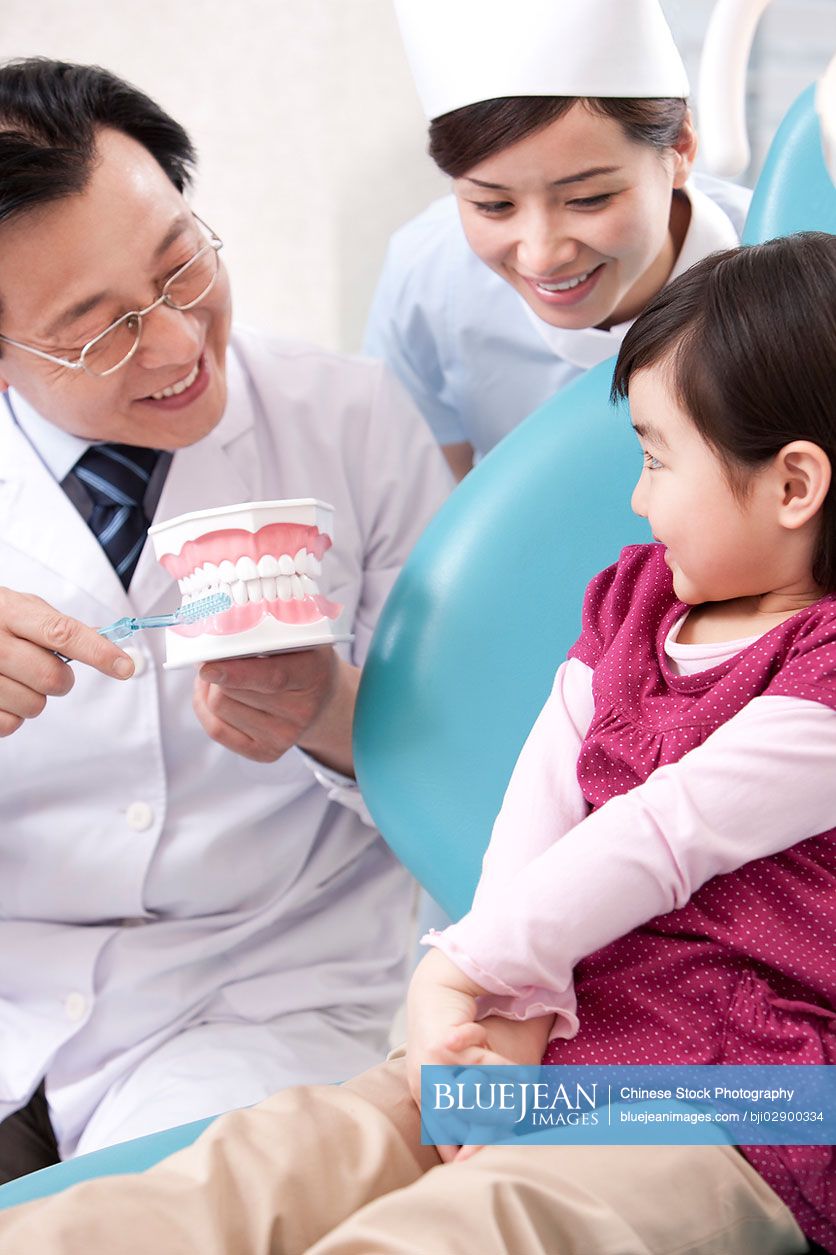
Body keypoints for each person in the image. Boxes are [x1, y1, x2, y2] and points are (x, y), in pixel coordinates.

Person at [0, 233, 833, 1254]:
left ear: (793, 486)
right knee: (280, 1160)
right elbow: (544, 798)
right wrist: (497, 1008)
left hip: (745, 1091)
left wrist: (463, 971)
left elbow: (665, 835)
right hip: (560, 1020)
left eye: (656, 460)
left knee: (483, 1224)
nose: (634, 496)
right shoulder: (634, 600)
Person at [0, 57, 453, 1176]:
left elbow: (476, 779)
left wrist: (327, 707)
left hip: (259, 985)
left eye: (180, 265)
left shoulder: (349, 423)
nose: (174, 344)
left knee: (169, 1220)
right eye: (97, 330)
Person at [365, 0, 752, 480]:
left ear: (680, 149)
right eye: (494, 206)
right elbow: (424, 515)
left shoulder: (792, 257)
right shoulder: (427, 279)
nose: (543, 256)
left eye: (588, 199)